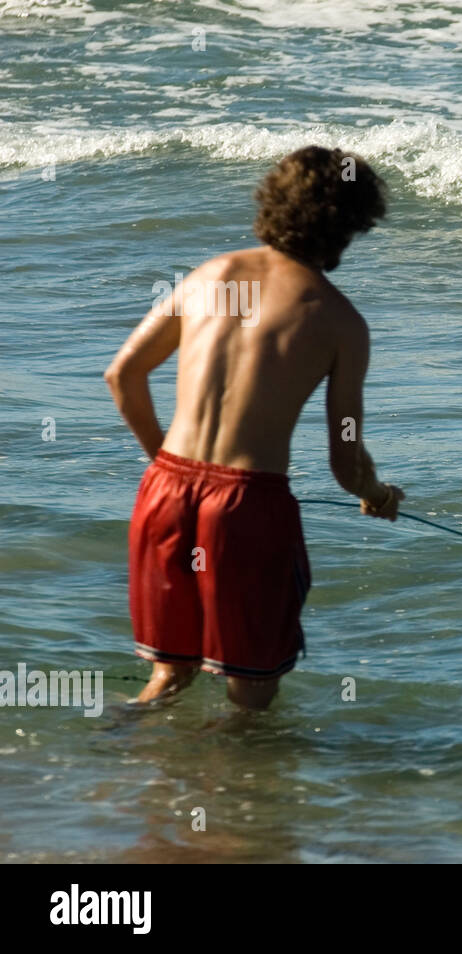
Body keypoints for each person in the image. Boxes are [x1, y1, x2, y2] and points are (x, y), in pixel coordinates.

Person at [105, 146, 403, 709]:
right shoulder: (339, 321)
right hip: (245, 508)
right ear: (349, 226)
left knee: (169, 678)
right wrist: (377, 493)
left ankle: (109, 769)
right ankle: (237, 792)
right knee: (251, 694)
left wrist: (161, 462)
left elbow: (123, 376)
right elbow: (345, 459)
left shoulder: (211, 276)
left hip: (165, 491)